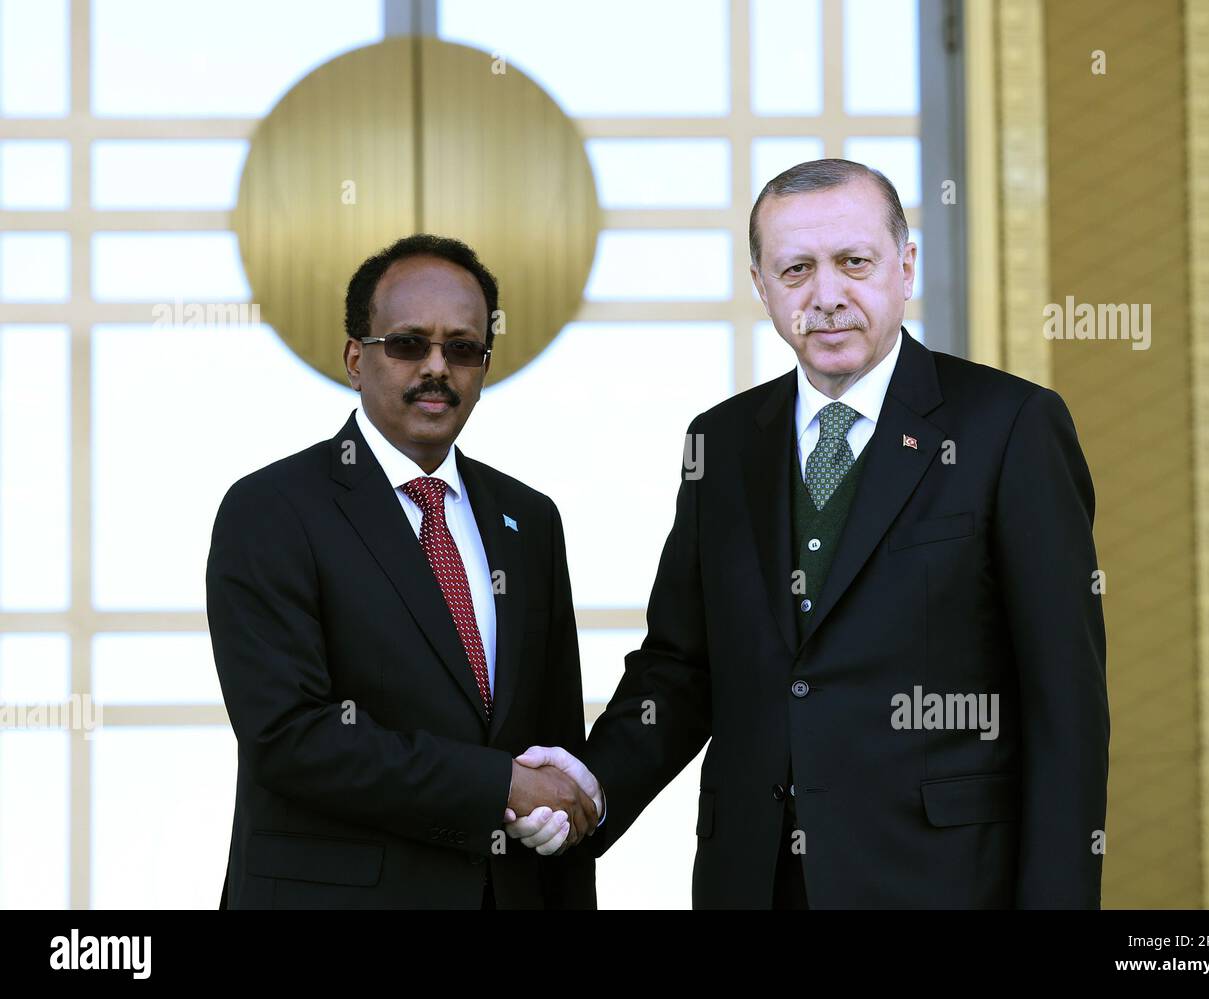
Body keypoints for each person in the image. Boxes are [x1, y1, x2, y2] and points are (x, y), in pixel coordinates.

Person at [507, 159, 1109, 909]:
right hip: (753, 881)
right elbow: (679, 670)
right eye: (796, 270)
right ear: (762, 285)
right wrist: (589, 785)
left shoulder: (1010, 426)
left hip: (945, 881)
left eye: (854, 262)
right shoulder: (720, 444)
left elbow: (1066, 706)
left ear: (905, 265)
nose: (826, 296)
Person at [207, 234, 598, 909]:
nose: (437, 367)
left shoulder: (530, 520)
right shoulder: (272, 509)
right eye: (410, 344)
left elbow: (551, 749)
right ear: (357, 358)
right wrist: (496, 783)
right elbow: (291, 736)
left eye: (463, 348)